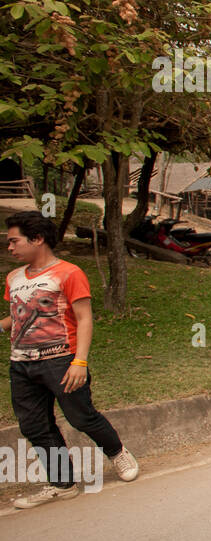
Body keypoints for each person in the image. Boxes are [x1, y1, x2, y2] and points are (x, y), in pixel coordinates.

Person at [3, 212, 138, 507]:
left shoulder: (69, 273)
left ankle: (117, 453)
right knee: (34, 426)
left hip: (61, 360)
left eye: (14, 241)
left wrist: (80, 362)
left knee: (81, 417)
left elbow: (84, 318)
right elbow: (20, 315)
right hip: (22, 364)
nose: (9, 247)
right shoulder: (13, 278)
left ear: (37, 239)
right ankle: (63, 484)